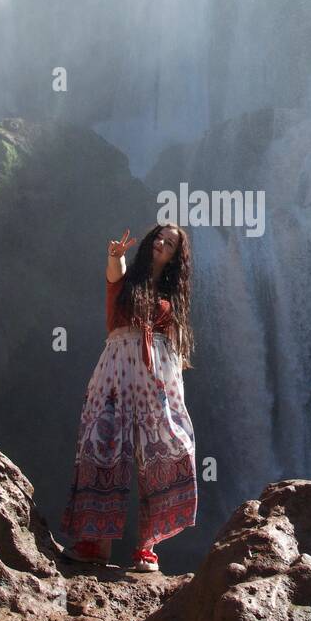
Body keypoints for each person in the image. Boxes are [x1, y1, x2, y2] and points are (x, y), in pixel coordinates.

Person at [60, 223, 198, 573]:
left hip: (156, 377)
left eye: (170, 243)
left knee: (162, 450)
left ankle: (146, 547)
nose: (162, 244)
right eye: (160, 237)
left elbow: (178, 348)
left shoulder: (172, 297)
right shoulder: (127, 279)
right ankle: (95, 543)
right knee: (102, 444)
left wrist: (174, 389)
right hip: (116, 370)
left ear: (174, 257)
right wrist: (114, 256)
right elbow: (113, 275)